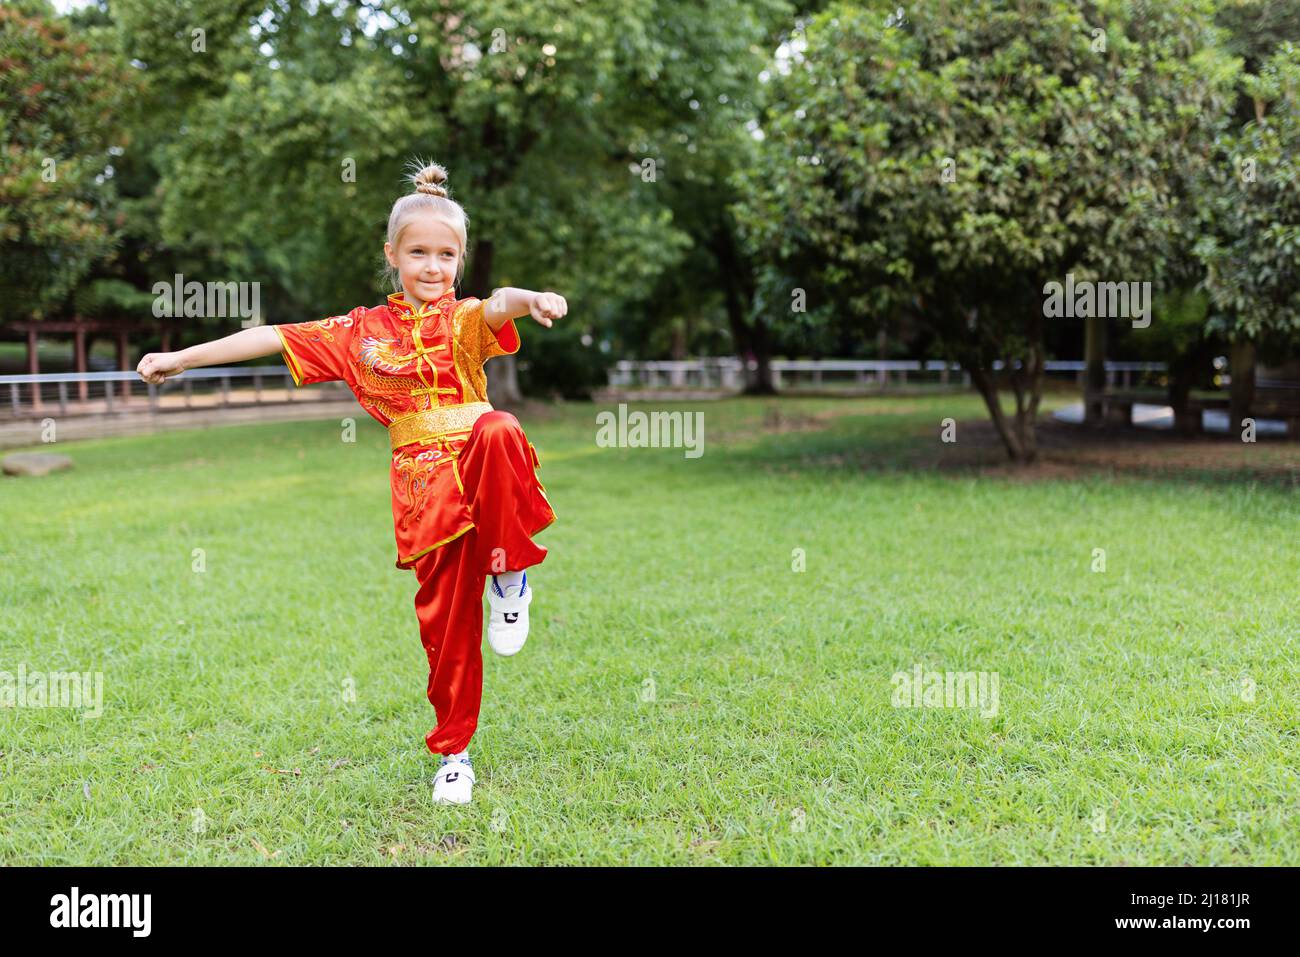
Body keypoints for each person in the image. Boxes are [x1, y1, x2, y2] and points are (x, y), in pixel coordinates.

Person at [137, 161, 564, 805]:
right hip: (425, 495)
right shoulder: (358, 333)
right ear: (391, 254)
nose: (432, 266)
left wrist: (528, 300)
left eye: (446, 255)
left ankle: (509, 573)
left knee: (500, 426)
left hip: (484, 465)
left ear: (460, 261)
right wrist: (180, 358)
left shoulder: (468, 320)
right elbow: (271, 336)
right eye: (418, 252)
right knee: (445, 631)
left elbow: (498, 303)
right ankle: (454, 754)